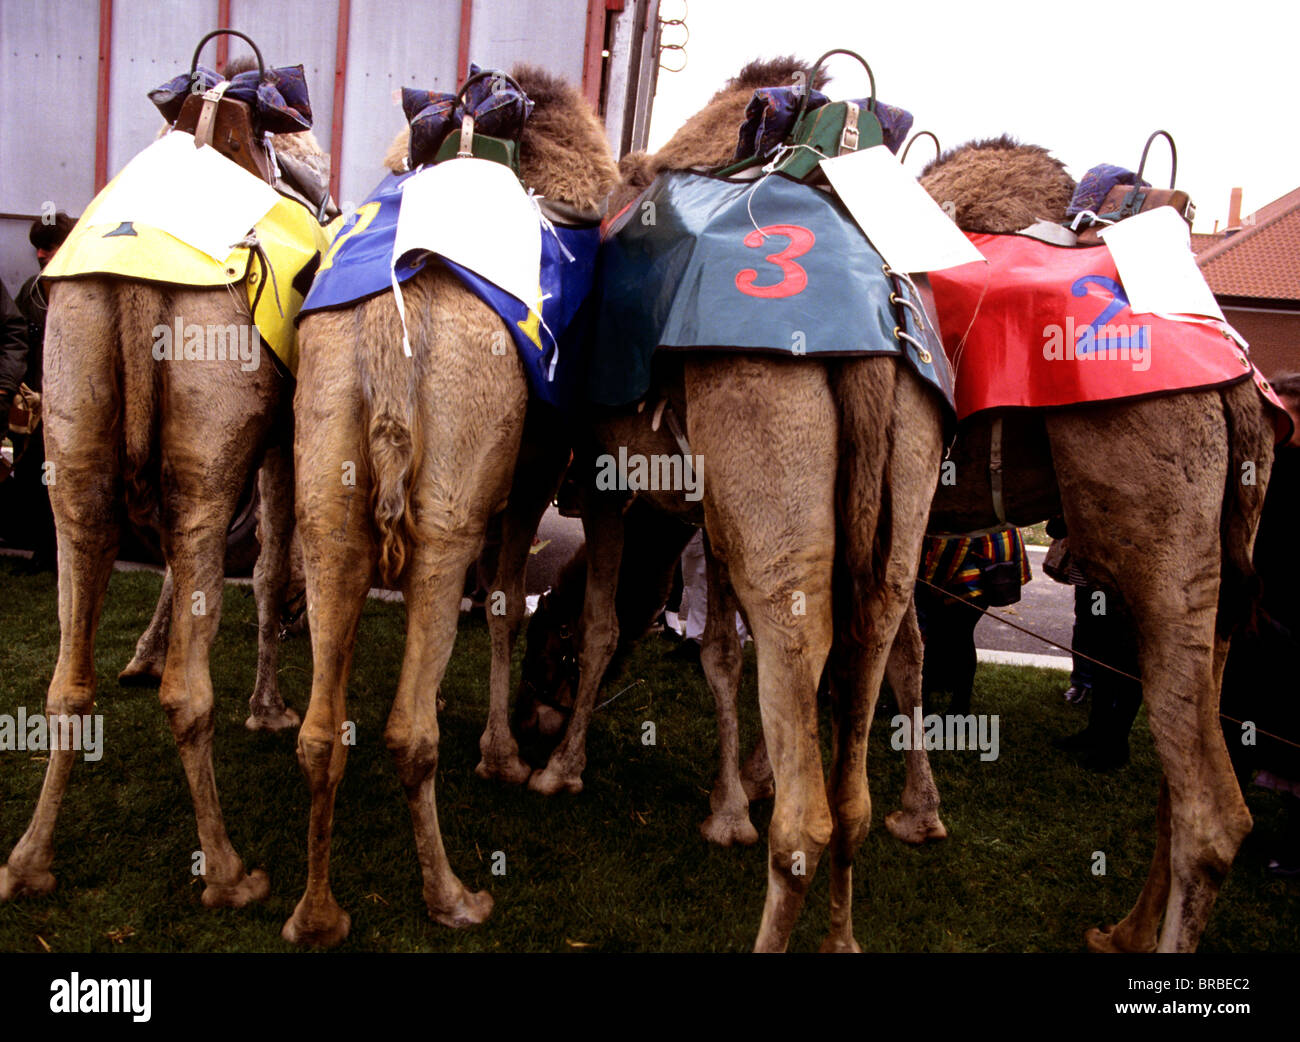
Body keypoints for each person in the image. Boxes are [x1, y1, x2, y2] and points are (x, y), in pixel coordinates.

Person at [1221, 372, 1300, 874]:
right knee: (1244, 722)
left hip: (1295, 624)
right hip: (1261, 617)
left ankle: (1295, 848)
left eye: (1284, 414)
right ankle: (1232, 816)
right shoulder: (1267, 466)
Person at [8, 213, 74, 571]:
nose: (40, 255)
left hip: (68, 412)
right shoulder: (31, 292)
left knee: (62, 483)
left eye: (49, 247)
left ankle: (58, 554)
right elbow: (15, 338)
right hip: (33, 410)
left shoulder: (82, 291)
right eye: (38, 248)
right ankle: (40, 552)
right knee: (33, 478)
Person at [916, 524, 1031, 715]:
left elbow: (951, 543)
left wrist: (931, 583)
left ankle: (950, 709)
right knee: (956, 640)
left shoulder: (964, 500)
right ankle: (941, 694)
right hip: (987, 574)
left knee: (950, 640)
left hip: (965, 583)